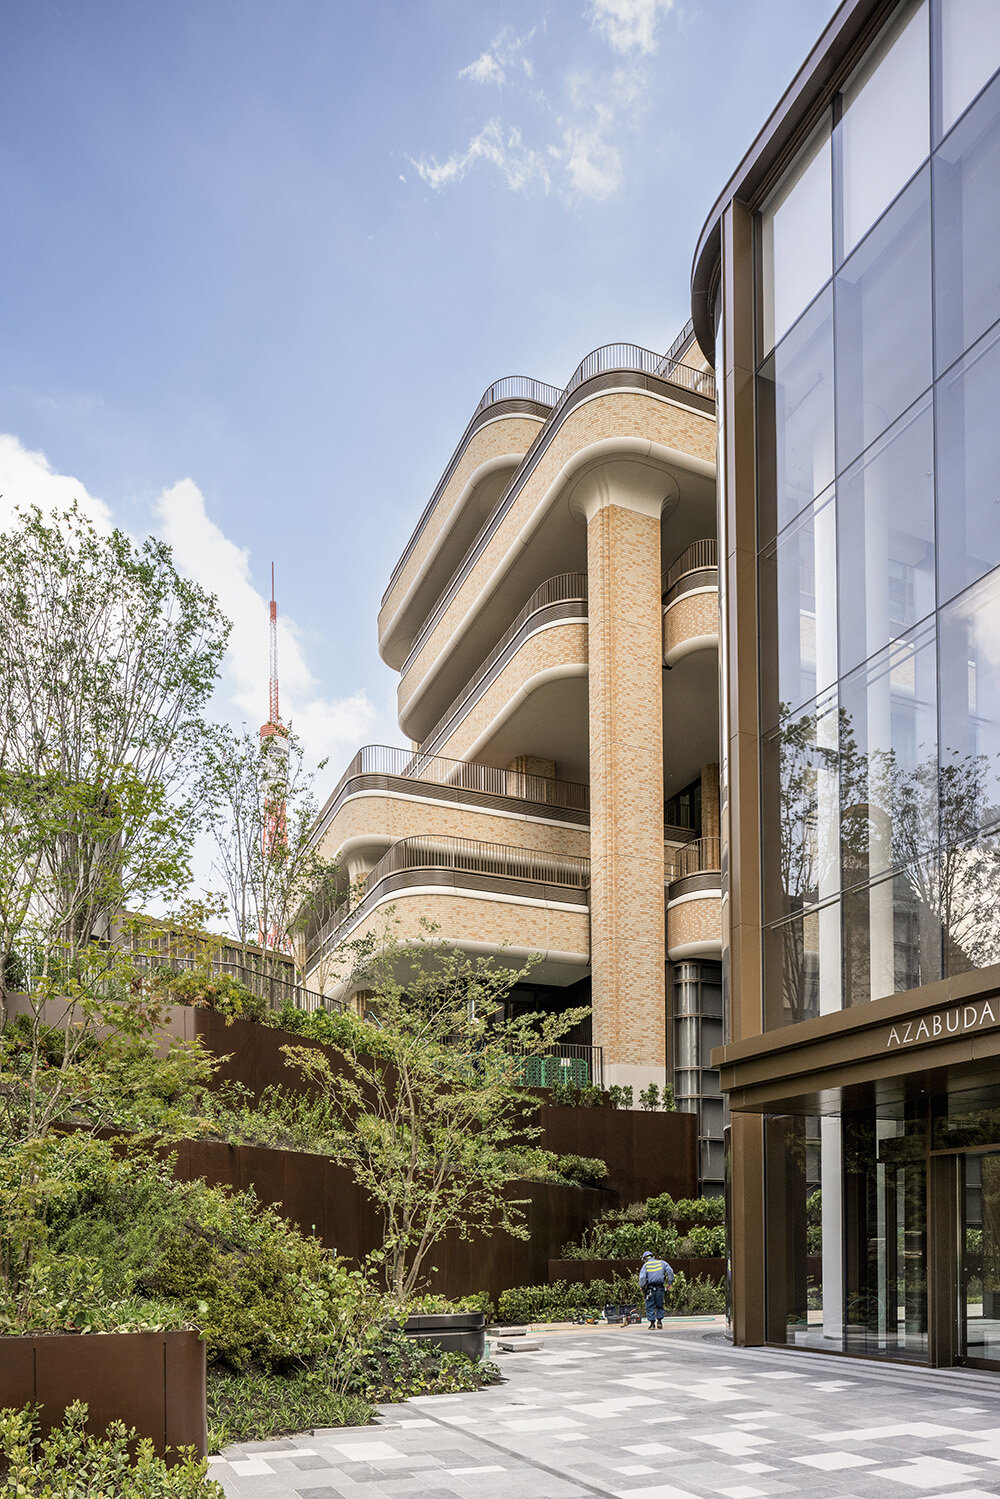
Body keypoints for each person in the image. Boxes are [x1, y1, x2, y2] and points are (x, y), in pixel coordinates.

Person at [638, 1248, 674, 1330]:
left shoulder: (645, 1265)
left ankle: (652, 1324)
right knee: (659, 1304)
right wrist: (669, 1283)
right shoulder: (662, 1263)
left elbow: (642, 1278)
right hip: (660, 1288)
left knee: (650, 1305)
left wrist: (642, 1287)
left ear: (645, 1258)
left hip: (650, 1289)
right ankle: (659, 1322)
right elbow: (670, 1271)